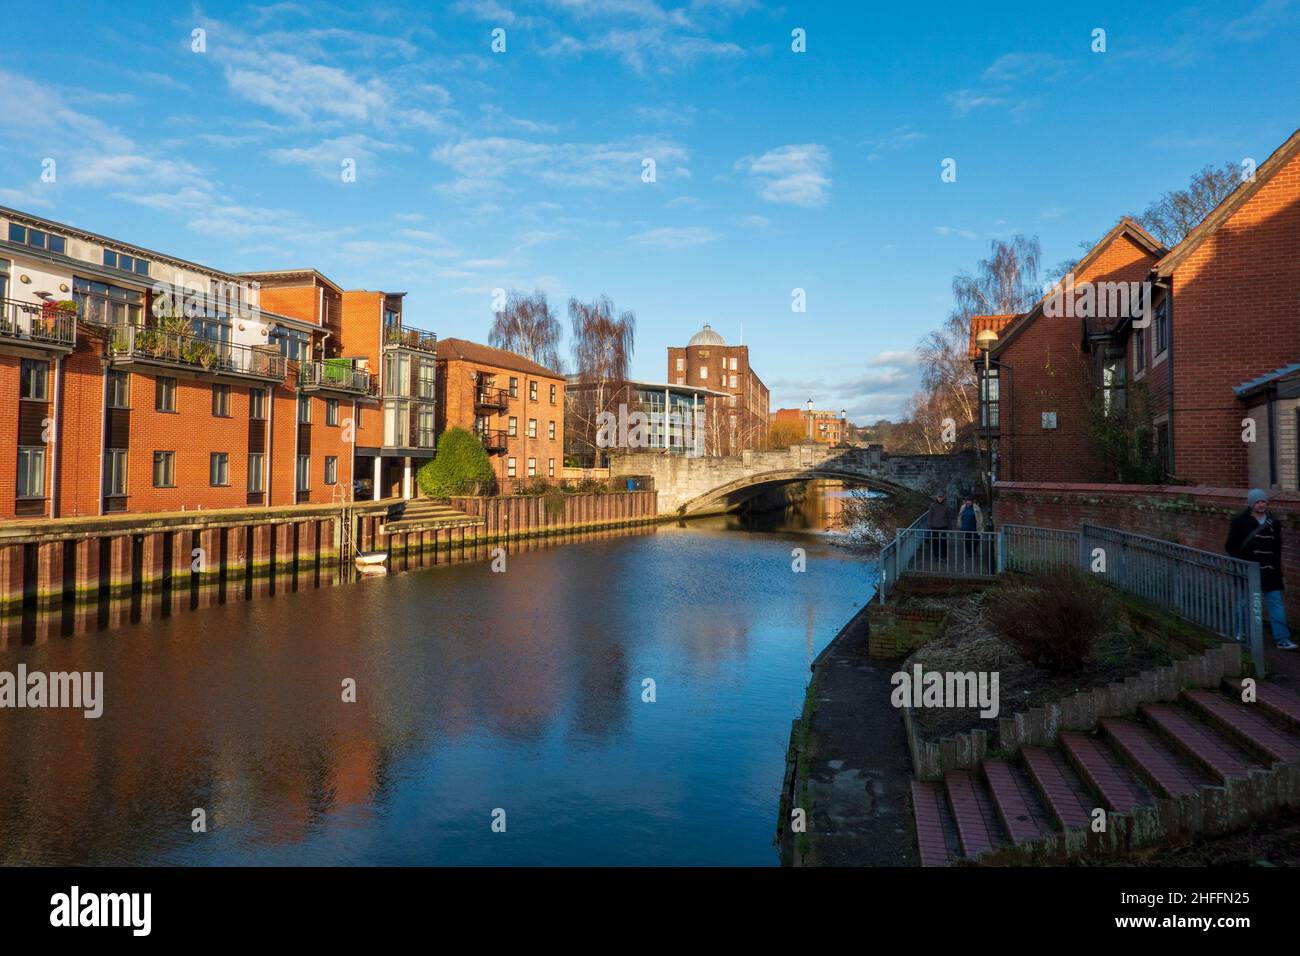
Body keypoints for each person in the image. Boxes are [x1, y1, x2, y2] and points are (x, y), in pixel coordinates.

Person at [1226, 488, 1297, 651]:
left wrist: (1278, 571)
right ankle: (1240, 632)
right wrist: (1242, 565)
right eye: (1258, 502)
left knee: (1276, 604)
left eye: (1263, 501)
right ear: (1251, 504)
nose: (1261, 505)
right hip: (1248, 569)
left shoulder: (1274, 523)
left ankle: (1282, 638)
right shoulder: (1240, 521)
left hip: (1270, 571)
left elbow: (1277, 549)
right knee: (1244, 603)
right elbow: (1231, 546)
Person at [958, 495, 984, 562]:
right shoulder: (963, 507)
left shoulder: (976, 507)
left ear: (972, 502)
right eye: (967, 502)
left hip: (975, 526)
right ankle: (969, 552)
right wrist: (960, 524)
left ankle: (974, 550)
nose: (968, 504)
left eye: (969, 502)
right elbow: (960, 516)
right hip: (966, 526)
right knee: (967, 540)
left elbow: (980, 516)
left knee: (976, 539)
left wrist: (980, 523)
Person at [927, 491, 951, 562]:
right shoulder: (932, 505)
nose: (940, 499)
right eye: (939, 497)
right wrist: (929, 524)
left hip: (944, 526)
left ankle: (944, 556)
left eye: (941, 497)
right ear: (936, 497)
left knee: (943, 542)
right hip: (934, 526)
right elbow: (930, 515)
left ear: (943, 498)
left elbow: (948, 516)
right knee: (935, 542)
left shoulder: (946, 506)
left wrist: (950, 526)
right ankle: (936, 556)